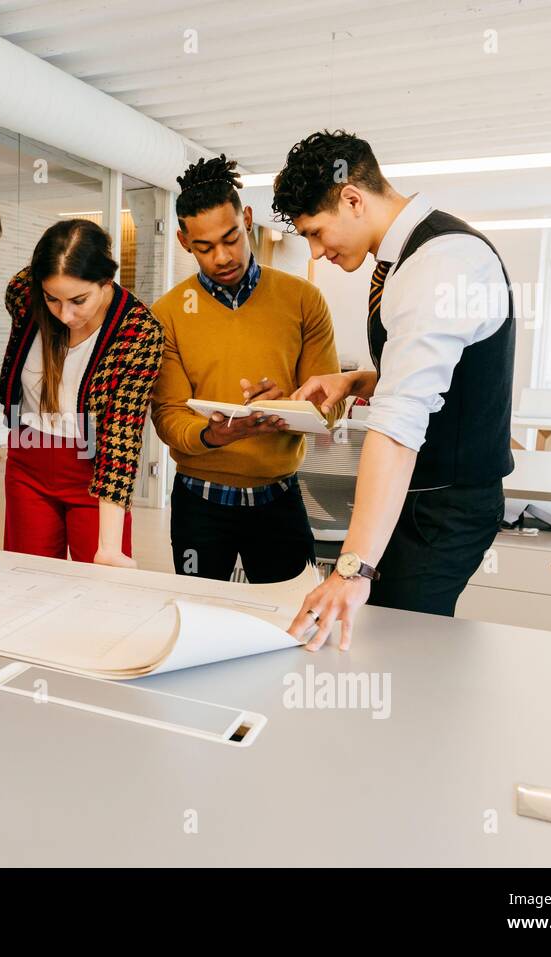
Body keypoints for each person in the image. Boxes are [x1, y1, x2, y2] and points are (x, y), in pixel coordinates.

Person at [271, 130, 514, 650]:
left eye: (315, 232)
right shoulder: (408, 258)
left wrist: (350, 569)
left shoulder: (442, 263)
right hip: (418, 496)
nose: (317, 251)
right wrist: (356, 380)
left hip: (443, 505)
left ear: (352, 199)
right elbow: (429, 372)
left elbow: (402, 422)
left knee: (399, 648)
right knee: (379, 638)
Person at [150, 155, 343, 583]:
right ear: (184, 242)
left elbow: (331, 408)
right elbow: (168, 415)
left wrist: (291, 405)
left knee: (290, 621)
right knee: (199, 617)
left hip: (279, 500)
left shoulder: (303, 301)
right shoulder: (167, 314)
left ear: (248, 219)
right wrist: (210, 435)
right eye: (204, 247)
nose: (222, 257)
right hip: (198, 502)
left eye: (231, 237)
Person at [0, 218, 163, 566]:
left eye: (78, 300)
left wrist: (108, 546)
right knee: (27, 583)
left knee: (101, 586)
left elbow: (122, 434)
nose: (64, 314)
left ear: (106, 280)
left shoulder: (138, 333)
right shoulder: (24, 293)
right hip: (27, 457)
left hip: (94, 469)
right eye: (53, 300)